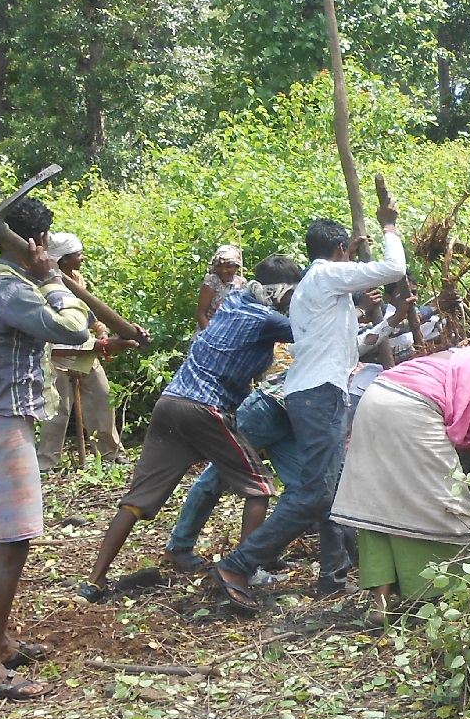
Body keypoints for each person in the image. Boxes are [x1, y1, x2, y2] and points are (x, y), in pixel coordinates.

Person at [210, 193, 408, 612]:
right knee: (317, 492)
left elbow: (348, 348)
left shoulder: (318, 292)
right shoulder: (322, 278)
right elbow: (394, 268)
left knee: (330, 489)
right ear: (339, 252)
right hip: (318, 395)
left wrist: (392, 321)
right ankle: (238, 564)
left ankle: (332, 578)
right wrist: (388, 225)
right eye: (347, 254)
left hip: (316, 389)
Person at [80, 273, 300, 602]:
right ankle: (245, 569)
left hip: (171, 402)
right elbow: (311, 328)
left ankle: (94, 581)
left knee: (137, 500)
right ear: (279, 293)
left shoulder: (233, 301)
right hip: (205, 408)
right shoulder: (266, 318)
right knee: (259, 487)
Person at [0, 195, 94, 700]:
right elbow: (72, 327)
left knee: (10, 540)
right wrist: (54, 278)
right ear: (36, 243)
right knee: (13, 541)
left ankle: (0, 642)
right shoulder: (13, 289)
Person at [332, 322, 470, 622]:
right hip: (413, 409)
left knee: (383, 499)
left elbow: (465, 432)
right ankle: (441, 601)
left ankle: (380, 606)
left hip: (376, 398)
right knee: (447, 505)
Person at [162, 253, 305, 569]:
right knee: (217, 479)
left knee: (303, 485)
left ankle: (260, 553)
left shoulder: (248, 300)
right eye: (290, 293)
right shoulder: (257, 313)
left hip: (284, 410)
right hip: (260, 407)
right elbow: (309, 333)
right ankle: (183, 546)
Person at [36, 233, 131, 471]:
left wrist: (100, 328)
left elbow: (86, 313)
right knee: (58, 409)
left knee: (102, 395)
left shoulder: (77, 278)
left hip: (85, 347)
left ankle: (110, 454)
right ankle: (47, 463)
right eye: (78, 254)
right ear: (64, 259)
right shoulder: (43, 284)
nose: (82, 258)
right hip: (56, 352)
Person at [196, 244, 246, 330]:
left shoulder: (241, 283)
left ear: (237, 267)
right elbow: (201, 314)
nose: (224, 270)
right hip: (209, 330)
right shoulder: (212, 281)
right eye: (219, 266)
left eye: (229, 267)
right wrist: (211, 336)